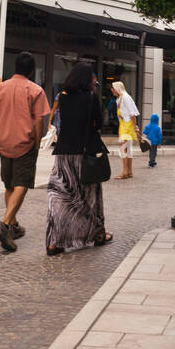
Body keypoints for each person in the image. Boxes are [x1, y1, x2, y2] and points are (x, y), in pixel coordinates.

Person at [0, 51, 50, 252]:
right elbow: (39, 119)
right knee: (22, 183)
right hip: (25, 142)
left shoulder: (0, 88)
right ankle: (4, 225)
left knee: (9, 184)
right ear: (31, 70)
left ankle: (13, 225)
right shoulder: (35, 90)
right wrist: (37, 142)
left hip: (3, 142)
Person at [46, 62, 112, 255]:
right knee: (89, 196)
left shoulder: (62, 97)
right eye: (92, 77)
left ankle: (54, 242)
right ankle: (97, 234)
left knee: (61, 195)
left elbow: (60, 122)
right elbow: (98, 123)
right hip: (84, 153)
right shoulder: (91, 97)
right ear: (86, 79)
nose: (95, 81)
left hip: (63, 153)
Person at [112, 80, 139, 179]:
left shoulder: (125, 98)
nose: (112, 90)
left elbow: (133, 113)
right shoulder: (120, 99)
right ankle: (129, 171)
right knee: (127, 149)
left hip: (127, 126)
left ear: (117, 89)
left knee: (124, 148)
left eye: (113, 88)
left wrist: (135, 126)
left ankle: (125, 171)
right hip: (124, 125)